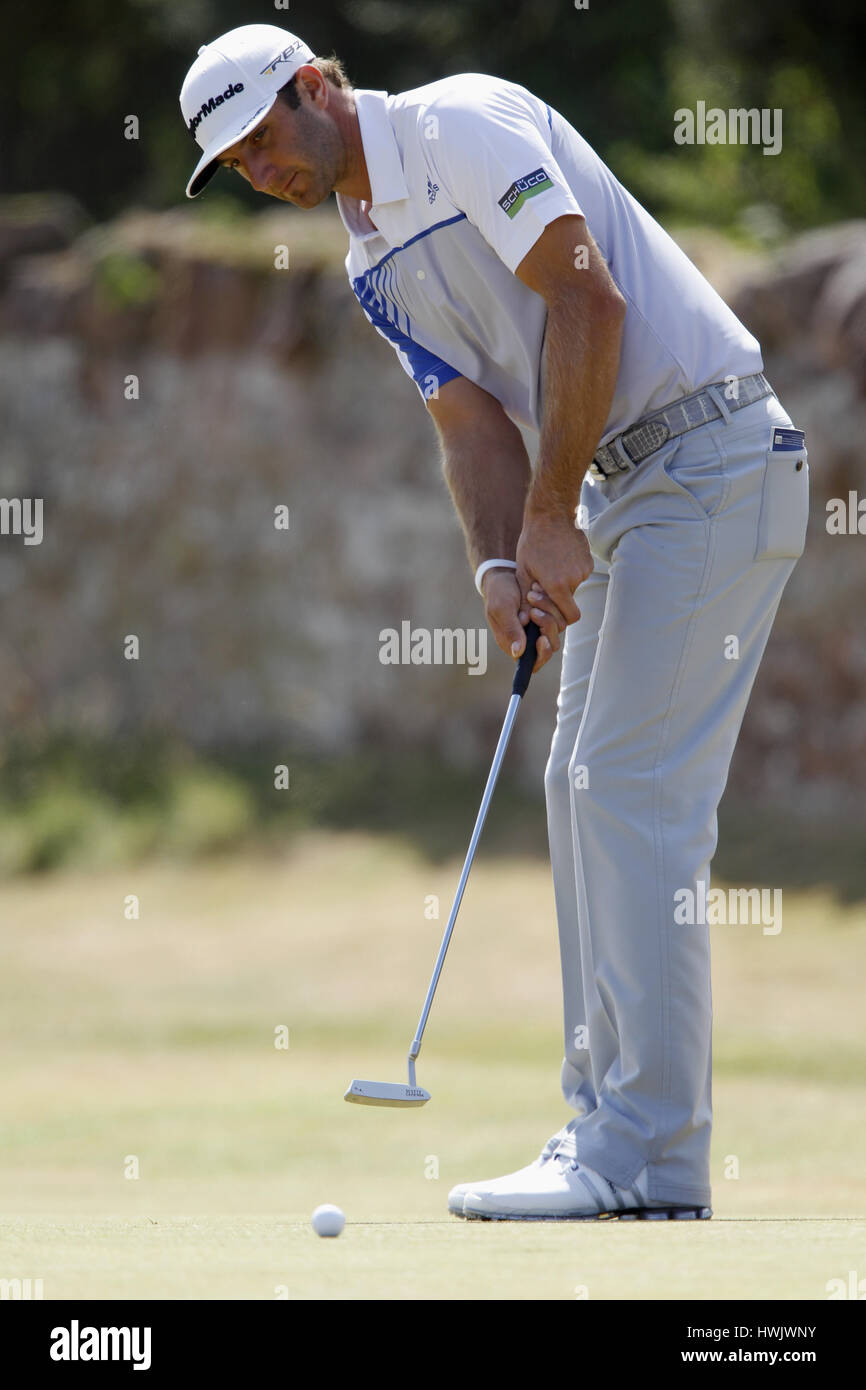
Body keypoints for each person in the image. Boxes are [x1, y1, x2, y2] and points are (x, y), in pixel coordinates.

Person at [180, 24, 810, 1220]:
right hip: (624, 488)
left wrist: (551, 512)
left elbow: (586, 296)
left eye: (263, 137)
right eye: (236, 165)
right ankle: (600, 1132)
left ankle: (651, 1155)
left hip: (711, 455)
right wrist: (494, 562)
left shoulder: (460, 125)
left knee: (627, 790)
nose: (260, 170)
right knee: (579, 785)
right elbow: (469, 425)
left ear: (315, 87)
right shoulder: (368, 258)